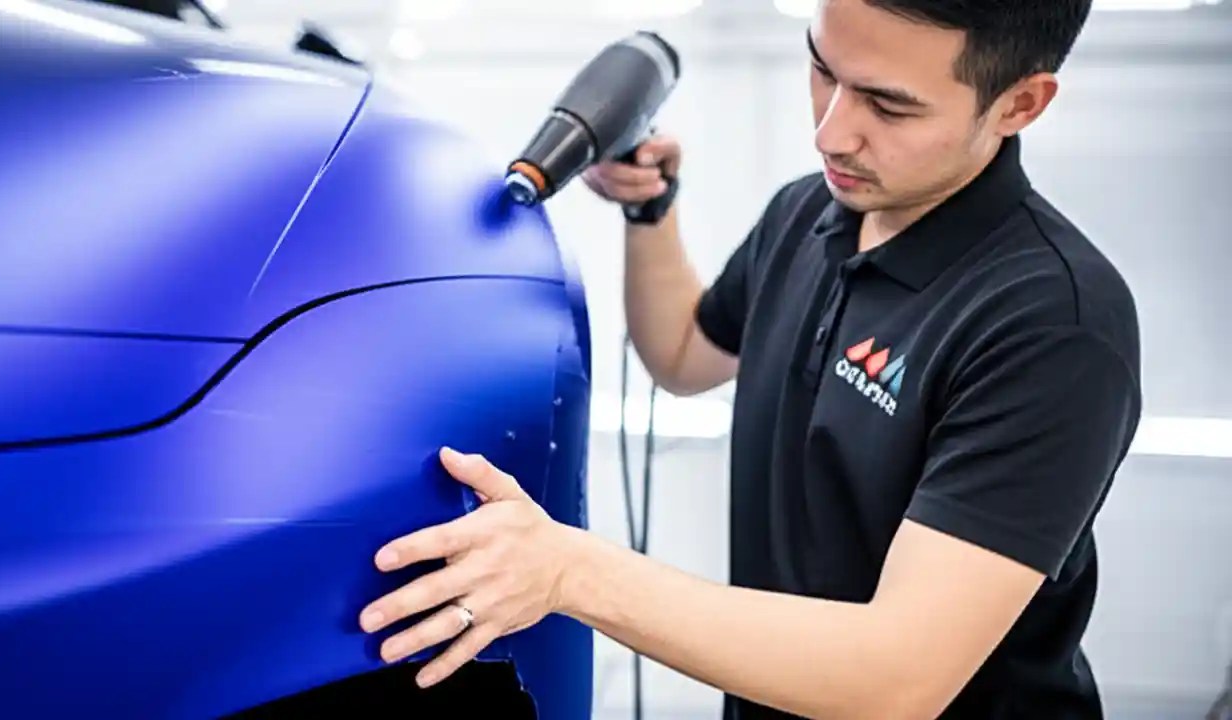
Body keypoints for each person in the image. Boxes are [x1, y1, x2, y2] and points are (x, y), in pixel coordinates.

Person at [357, 0, 1143, 717]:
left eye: (888, 104)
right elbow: (685, 353)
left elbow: (897, 678)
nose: (831, 132)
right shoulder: (811, 211)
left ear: (1020, 103)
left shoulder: (1054, 324)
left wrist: (567, 570)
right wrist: (649, 209)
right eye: (822, 70)